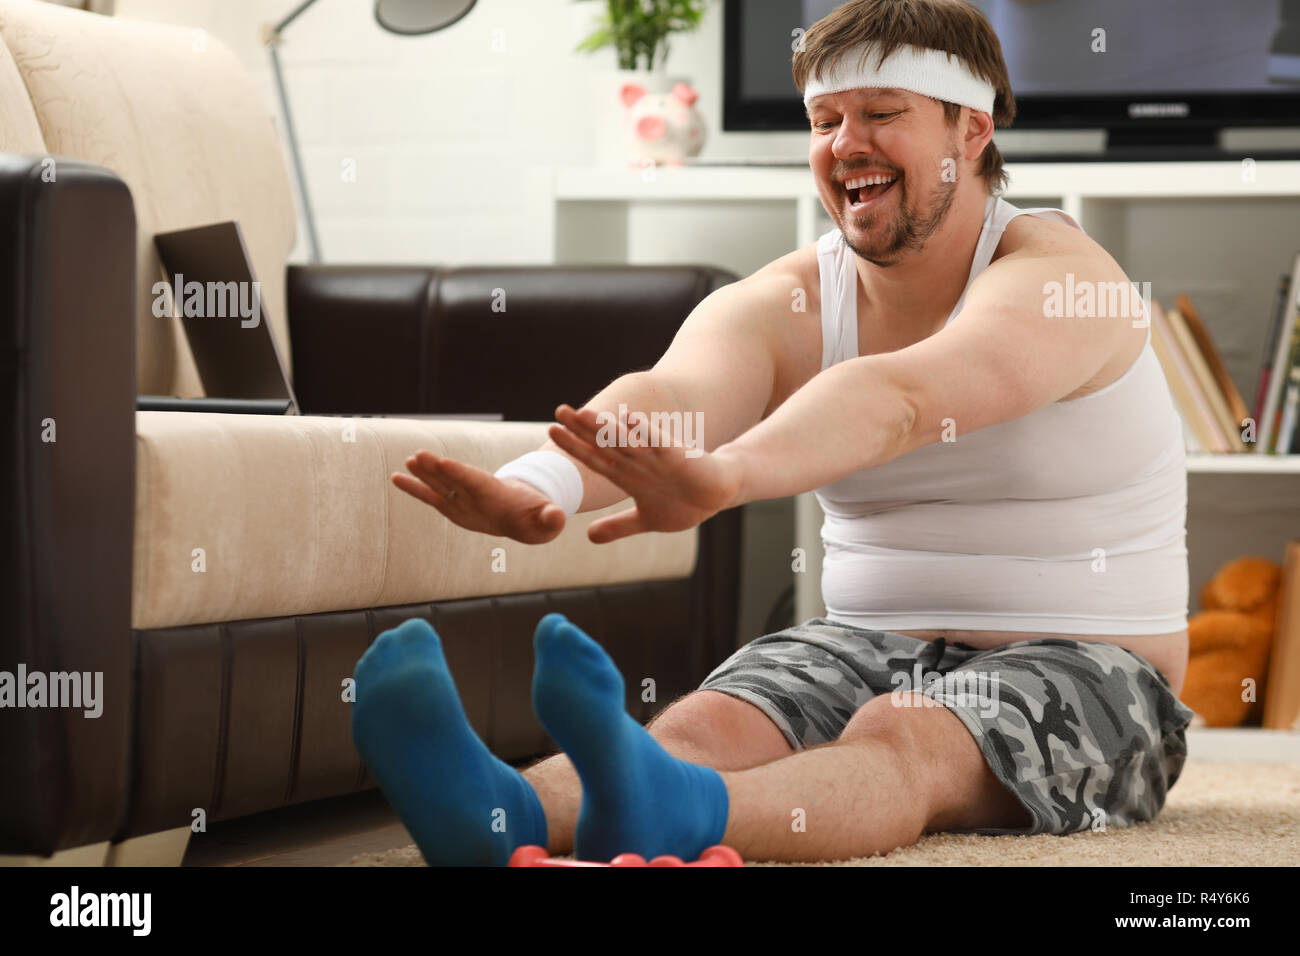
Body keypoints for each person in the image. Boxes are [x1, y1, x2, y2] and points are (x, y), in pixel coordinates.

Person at [354, 0, 1194, 866]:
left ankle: (687, 818)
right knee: (707, 722)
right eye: (826, 120)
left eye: (881, 114)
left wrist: (727, 475)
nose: (845, 143)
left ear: (970, 130)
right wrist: (543, 483)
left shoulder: (1059, 279)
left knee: (903, 735)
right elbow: (672, 394)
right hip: (865, 635)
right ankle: (502, 810)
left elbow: (903, 397)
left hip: (1094, 662)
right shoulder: (790, 295)